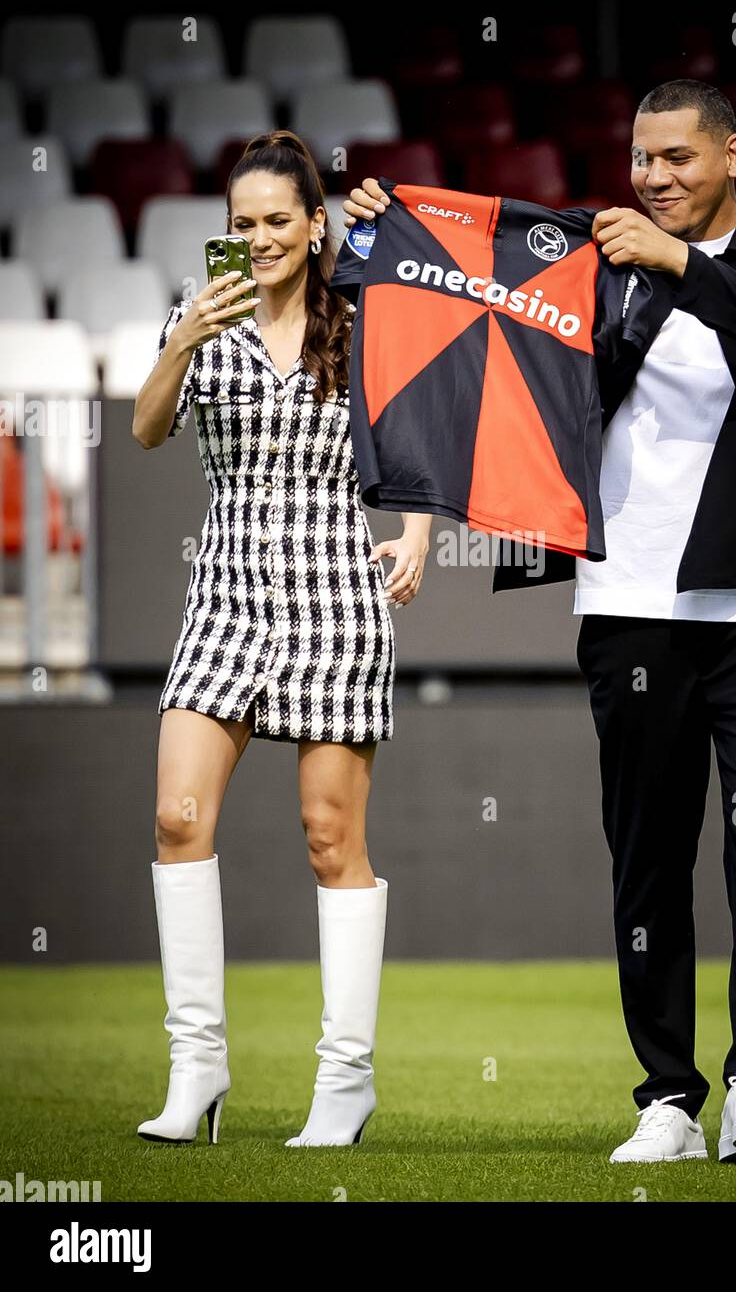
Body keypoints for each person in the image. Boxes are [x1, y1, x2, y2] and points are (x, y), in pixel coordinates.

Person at [343, 79, 736, 1165]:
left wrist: (680, 266)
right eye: (638, 159)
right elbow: (472, 310)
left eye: (675, 158)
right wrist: (389, 235)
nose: (653, 178)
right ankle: (667, 1096)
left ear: (732, 153)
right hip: (627, 610)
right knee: (647, 858)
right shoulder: (594, 265)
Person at [132, 130, 431, 1147]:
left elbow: (413, 433)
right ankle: (197, 1068)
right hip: (224, 592)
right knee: (178, 816)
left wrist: (420, 531)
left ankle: (345, 1080)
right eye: (241, 222)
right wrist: (180, 341)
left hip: (336, 589)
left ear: (315, 227)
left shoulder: (361, 320)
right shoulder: (198, 316)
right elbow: (143, 429)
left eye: (274, 221)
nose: (255, 238)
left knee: (329, 836)